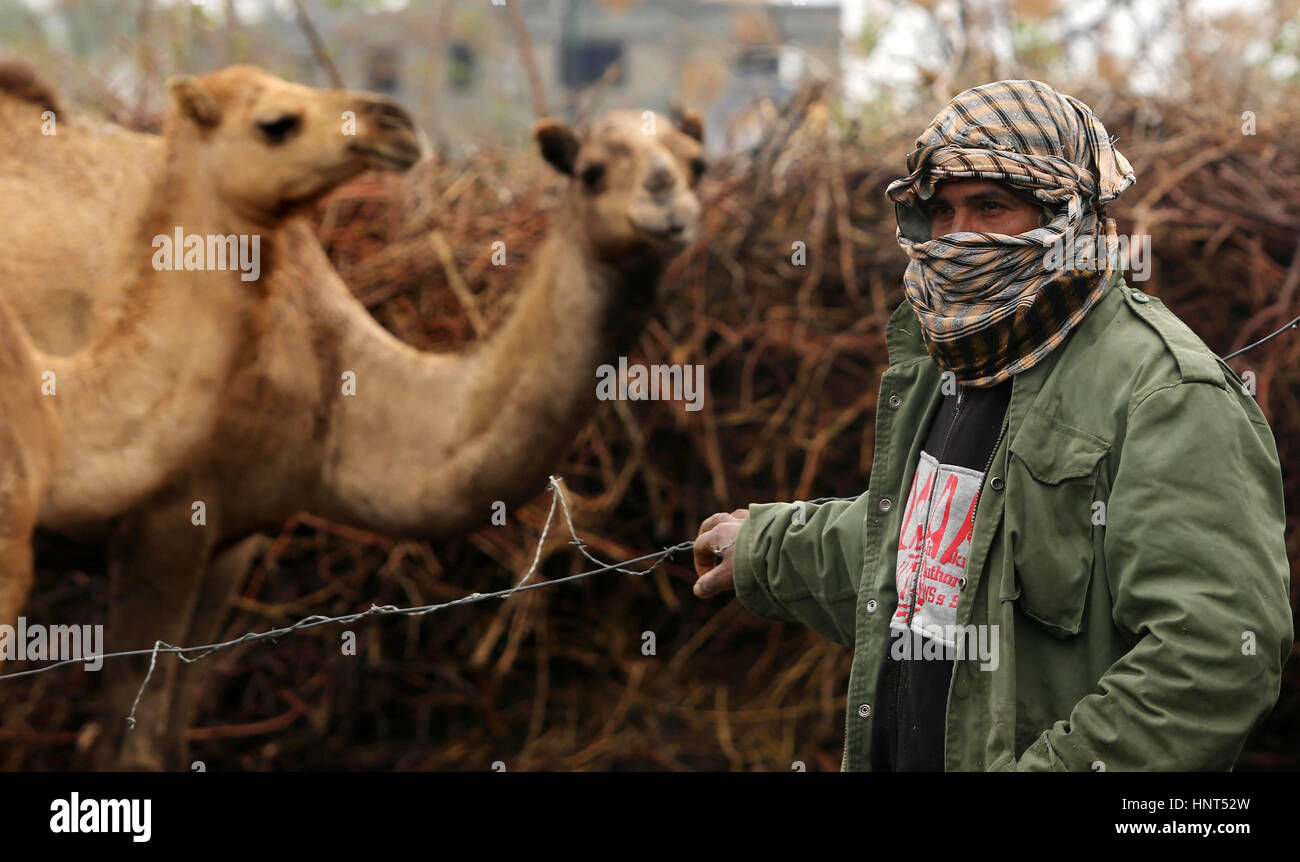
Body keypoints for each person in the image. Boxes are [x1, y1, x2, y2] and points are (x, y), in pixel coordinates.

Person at [692, 79, 1293, 771]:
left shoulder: (1167, 393)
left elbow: (1214, 659)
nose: (955, 238)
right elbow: (925, 544)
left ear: (1069, 213)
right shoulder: (954, 360)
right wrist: (766, 549)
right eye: (942, 211)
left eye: (989, 207)